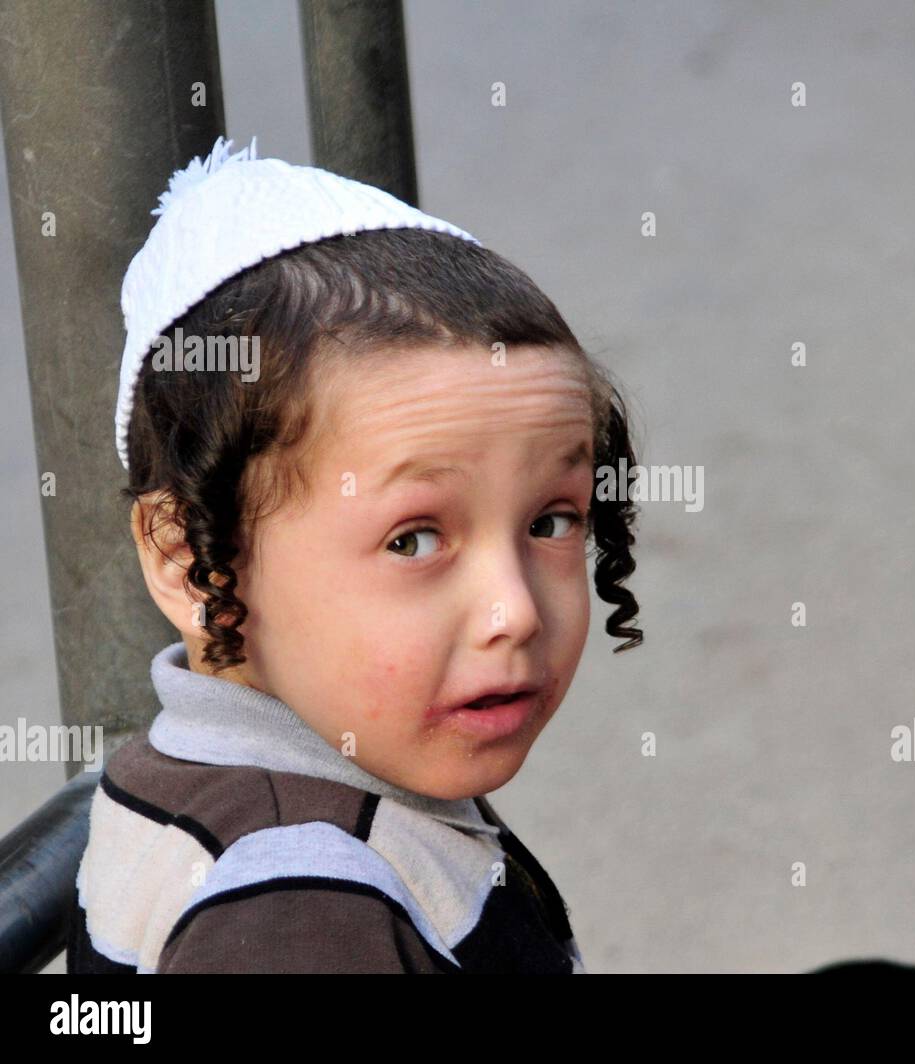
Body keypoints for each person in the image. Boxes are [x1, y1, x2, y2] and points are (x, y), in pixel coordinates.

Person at [66, 136, 642, 973]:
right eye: (414, 539)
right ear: (191, 561)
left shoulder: (294, 804)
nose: (514, 610)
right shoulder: (300, 916)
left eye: (550, 521)